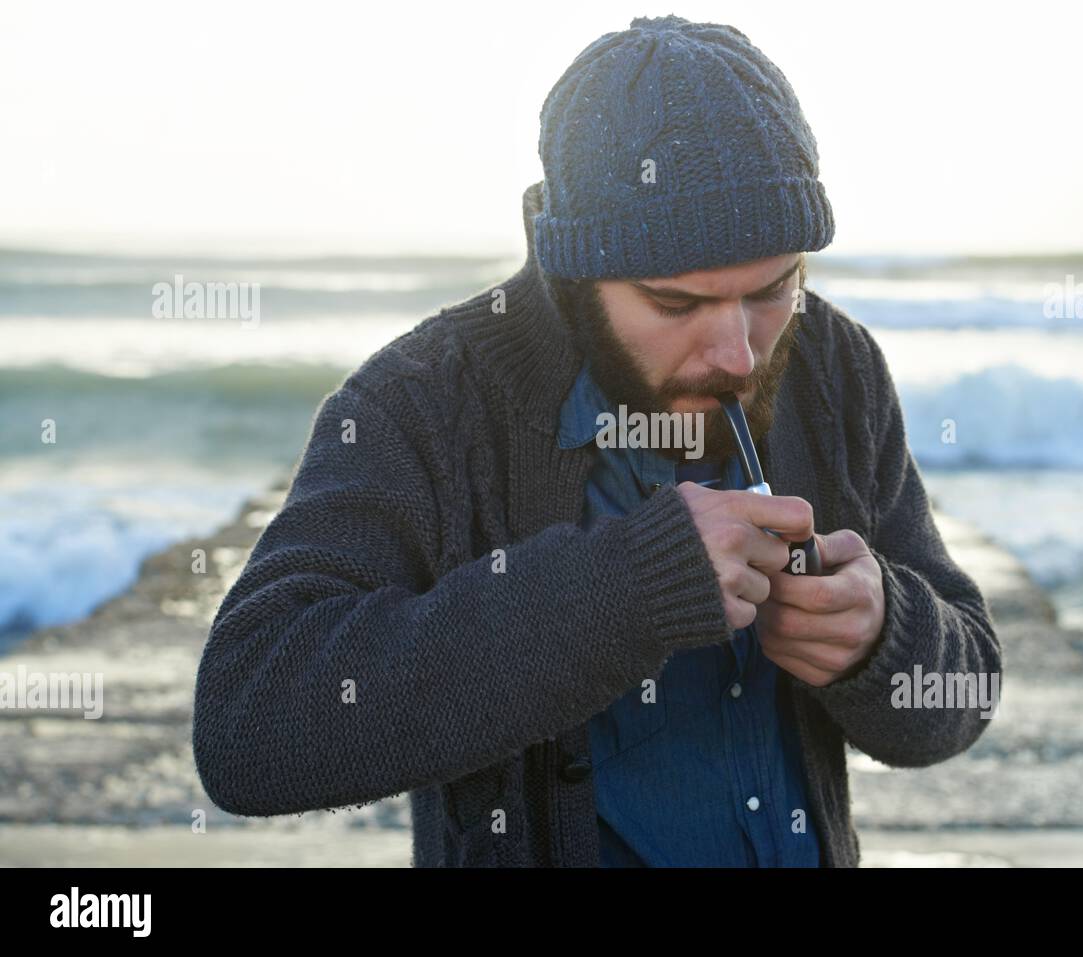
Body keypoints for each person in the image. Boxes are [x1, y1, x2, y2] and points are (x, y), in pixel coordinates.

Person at [192, 13, 1000, 867]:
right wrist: (631, 589)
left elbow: (965, 687)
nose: (738, 354)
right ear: (576, 278)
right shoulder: (425, 400)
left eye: (773, 289)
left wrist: (883, 637)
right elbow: (248, 724)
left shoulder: (835, 367)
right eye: (677, 304)